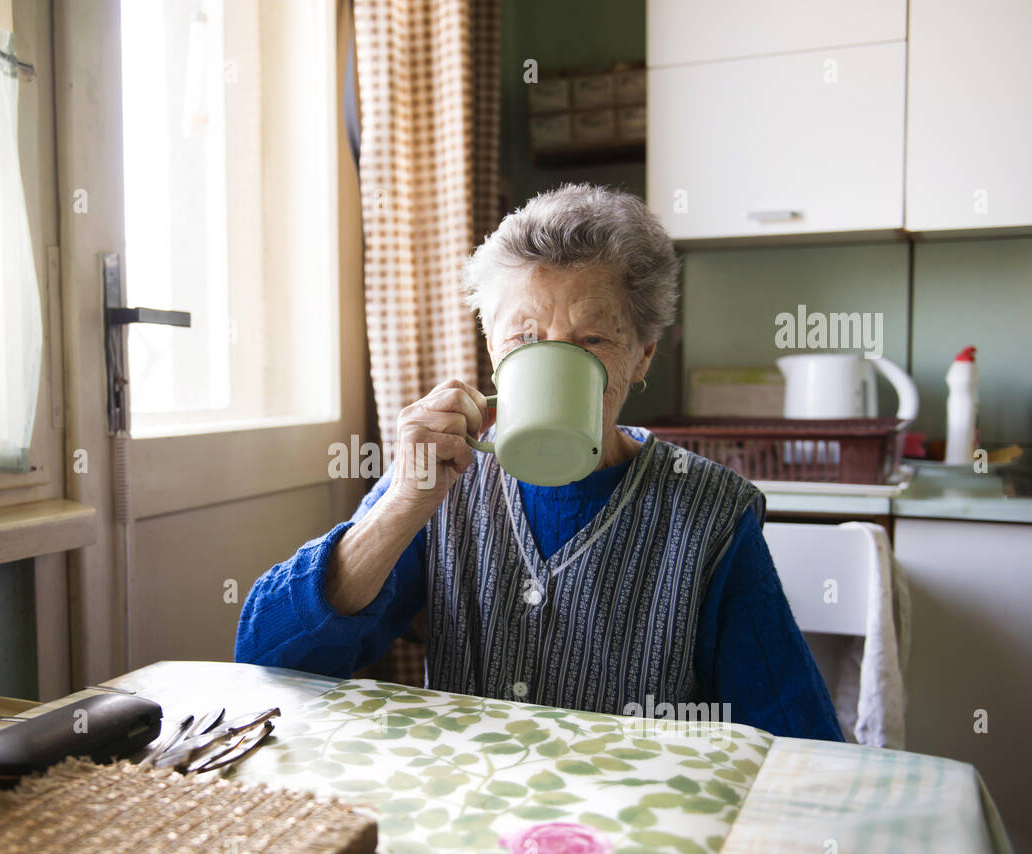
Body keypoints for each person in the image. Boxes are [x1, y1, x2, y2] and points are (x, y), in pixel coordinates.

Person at [235, 183, 843, 741]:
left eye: (591, 340)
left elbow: (799, 738)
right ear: (493, 350)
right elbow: (268, 658)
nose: (553, 358)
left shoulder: (711, 511)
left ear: (642, 358)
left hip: (638, 827)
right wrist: (400, 505)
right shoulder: (440, 481)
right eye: (524, 339)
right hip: (473, 814)